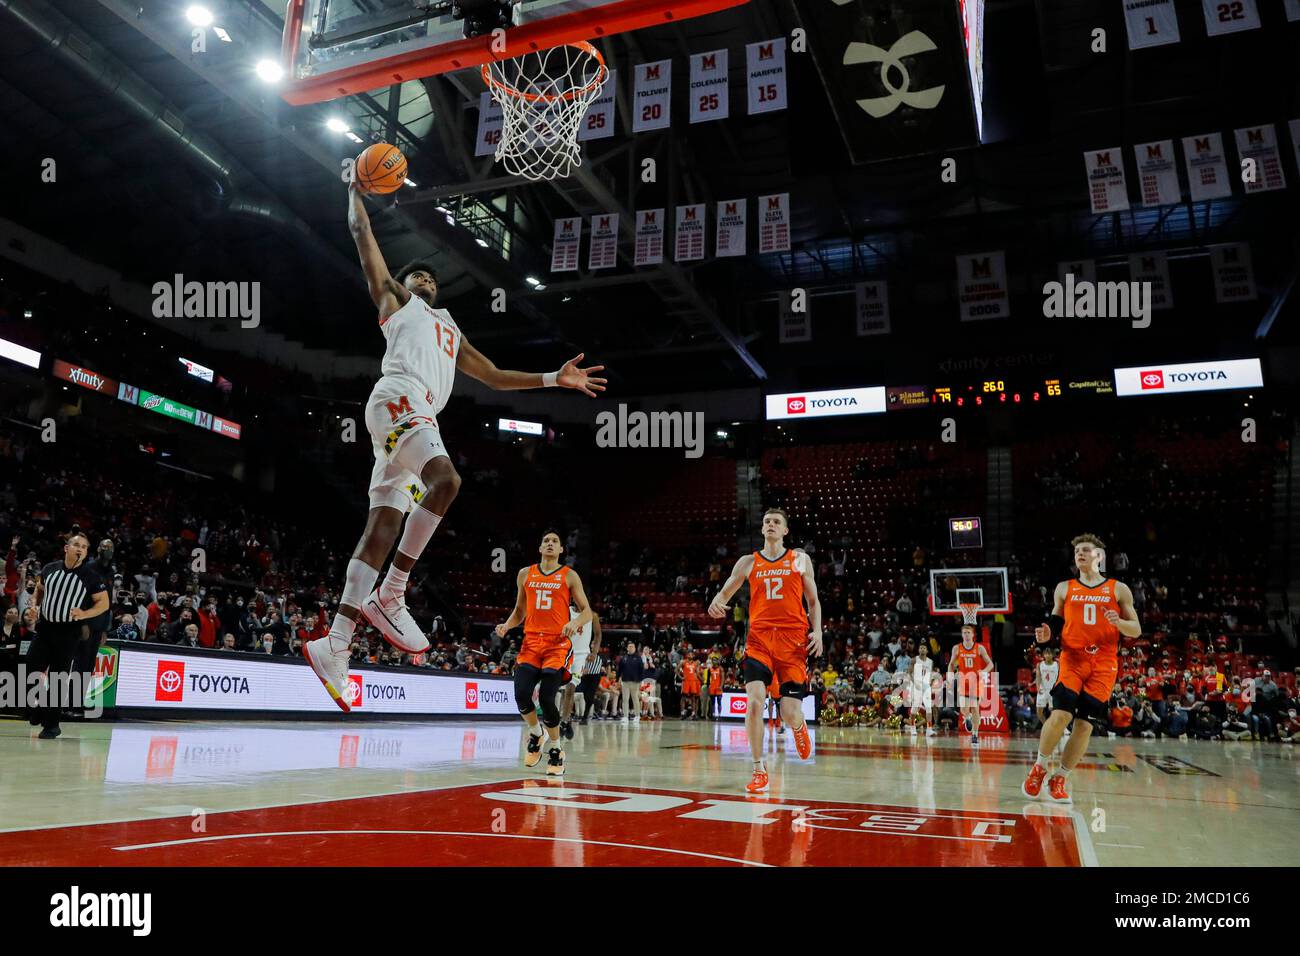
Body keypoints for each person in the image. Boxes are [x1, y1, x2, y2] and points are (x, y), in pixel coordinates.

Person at [303, 178, 605, 710]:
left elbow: (491, 375)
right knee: (447, 480)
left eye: (431, 277)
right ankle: (392, 592)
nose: (426, 278)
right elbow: (360, 233)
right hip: (399, 399)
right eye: (417, 273)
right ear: (401, 283)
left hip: (414, 415)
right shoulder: (396, 303)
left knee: (381, 529)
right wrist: (354, 187)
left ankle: (336, 643)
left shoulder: (448, 327)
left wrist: (552, 380)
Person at [708, 507, 822, 794]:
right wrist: (716, 602)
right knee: (755, 702)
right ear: (762, 529)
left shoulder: (799, 558)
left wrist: (817, 631)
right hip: (759, 640)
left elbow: (813, 601)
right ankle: (759, 769)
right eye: (767, 522)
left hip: (793, 640)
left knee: (789, 712)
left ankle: (798, 728)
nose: (770, 525)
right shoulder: (748, 562)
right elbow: (725, 592)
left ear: (785, 531)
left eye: (776, 522)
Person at [1022, 534, 1141, 804]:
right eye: (1077, 551)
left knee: (1085, 725)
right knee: (1061, 714)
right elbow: (1055, 621)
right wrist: (1046, 636)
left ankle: (1060, 777)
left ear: (1099, 556)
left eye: (1086, 550)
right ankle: (1039, 768)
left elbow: (1136, 628)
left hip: (1104, 663)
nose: (1080, 554)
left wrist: (1119, 623)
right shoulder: (1064, 587)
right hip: (1073, 659)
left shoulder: (1118, 589)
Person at [495, 531, 594, 776]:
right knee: (521, 694)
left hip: (557, 644)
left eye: (555, 542)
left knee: (548, 699)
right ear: (540, 547)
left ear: (561, 550)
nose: (550, 544)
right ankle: (536, 733)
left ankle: (557, 750)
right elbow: (520, 611)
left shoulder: (569, 575)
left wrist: (575, 622)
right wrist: (507, 625)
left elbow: (587, 612)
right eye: (546, 541)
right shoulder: (525, 574)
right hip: (531, 643)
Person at [25, 533, 109, 739]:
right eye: (76, 545)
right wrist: (35, 605)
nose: (80, 549)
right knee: (29, 668)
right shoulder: (49, 569)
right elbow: (39, 589)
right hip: (44, 628)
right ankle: (39, 709)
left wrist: (84, 614)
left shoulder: (91, 576)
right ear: (66, 548)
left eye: (84, 547)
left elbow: (103, 604)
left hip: (68, 632)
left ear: (87, 552)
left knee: (58, 678)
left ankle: (52, 725)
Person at [948, 624, 993, 745]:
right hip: (963, 681)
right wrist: (950, 676)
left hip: (976, 682)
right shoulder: (957, 648)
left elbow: (990, 664)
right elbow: (951, 664)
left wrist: (983, 671)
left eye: (969, 632)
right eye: (964, 633)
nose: (967, 635)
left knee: (975, 708)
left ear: (973, 635)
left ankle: (975, 734)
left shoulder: (979, 648)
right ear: (962, 634)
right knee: (963, 708)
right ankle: (967, 718)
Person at [559, 611, 601, 739]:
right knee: (564, 690)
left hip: (581, 656)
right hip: (566, 653)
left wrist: (594, 652)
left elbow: (598, 635)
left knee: (571, 689)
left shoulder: (593, 615)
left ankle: (564, 721)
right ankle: (566, 719)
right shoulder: (567, 610)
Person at [909, 642, 936, 736]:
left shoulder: (930, 661)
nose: (922, 649)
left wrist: (931, 682)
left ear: (927, 651)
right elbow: (909, 673)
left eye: (924, 648)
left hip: (926, 686)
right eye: (921, 648)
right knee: (914, 708)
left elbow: (931, 672)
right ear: (918, 650)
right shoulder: (914, 660)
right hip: (916, 686)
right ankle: (912, 727)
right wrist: (914, 683)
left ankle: (929, 729)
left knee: (929, 708)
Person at [617, 641, 644, 724]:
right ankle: (625, 716)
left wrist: (640, 681)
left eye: (632, 646)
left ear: (635, 648)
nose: (631, 648)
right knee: (625, 699)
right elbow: (619, 669)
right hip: (625, 682)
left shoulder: (638, 658)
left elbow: (641, 670)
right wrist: (618, 678)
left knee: (635, 699)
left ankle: (637, 716)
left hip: (635, 682)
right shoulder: (623, 658)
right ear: (627, 648)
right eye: (629, 646)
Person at [1035, 647, 1058, 729]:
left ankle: (1055, 728)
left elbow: (1060, 677)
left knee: (1053, 711)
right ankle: (1047, 726)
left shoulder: (1057, 664)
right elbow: (1038, 677)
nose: (1048, 655)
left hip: (1053, 691)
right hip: (1043, 690)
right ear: (1043, 655)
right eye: (1046, 653)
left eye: (1049, 654)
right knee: (1039, 713)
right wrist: (1038, 688)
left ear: (1053, 655)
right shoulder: (1039, 665)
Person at [679, 651, 701, 719]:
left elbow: (697, 673)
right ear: (687, 655)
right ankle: (682, 713)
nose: (691, 655)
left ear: (693, 656)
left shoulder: (695, 664)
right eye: (689, 654)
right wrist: (681, 677)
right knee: (683, 698)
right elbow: (676, 669)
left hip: (693, 682)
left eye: (692, 654)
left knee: (693, 698)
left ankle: (693, 714)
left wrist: (702, 679)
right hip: (686, 682)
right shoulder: (683, 662)